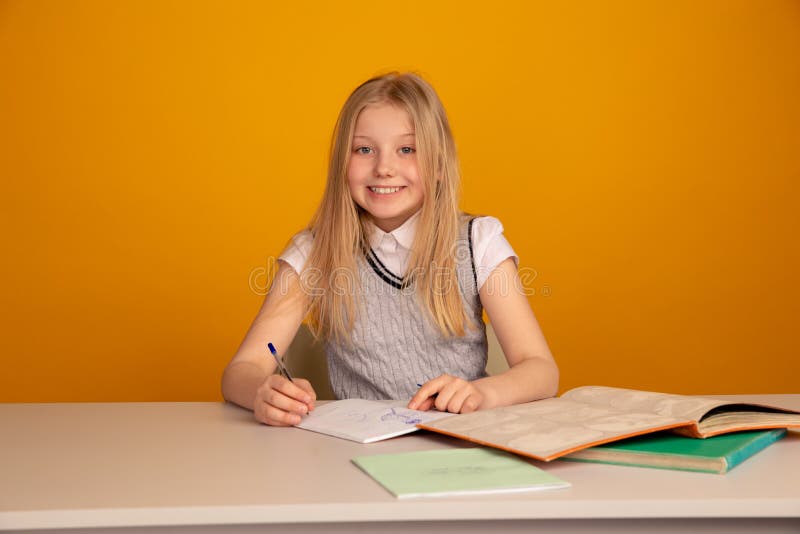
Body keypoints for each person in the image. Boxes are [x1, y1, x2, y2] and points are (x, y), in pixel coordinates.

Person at [222, 72, 558, 426]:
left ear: (440, 165)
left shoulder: (478, 242)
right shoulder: (314, 253)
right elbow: (240, 371)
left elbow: (541, 370)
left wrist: (484, 394)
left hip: (462, 444)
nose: (384, 168)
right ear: (342, 164)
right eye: (364, 149)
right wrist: (263, 391)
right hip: (357, 452)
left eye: (407, 149)